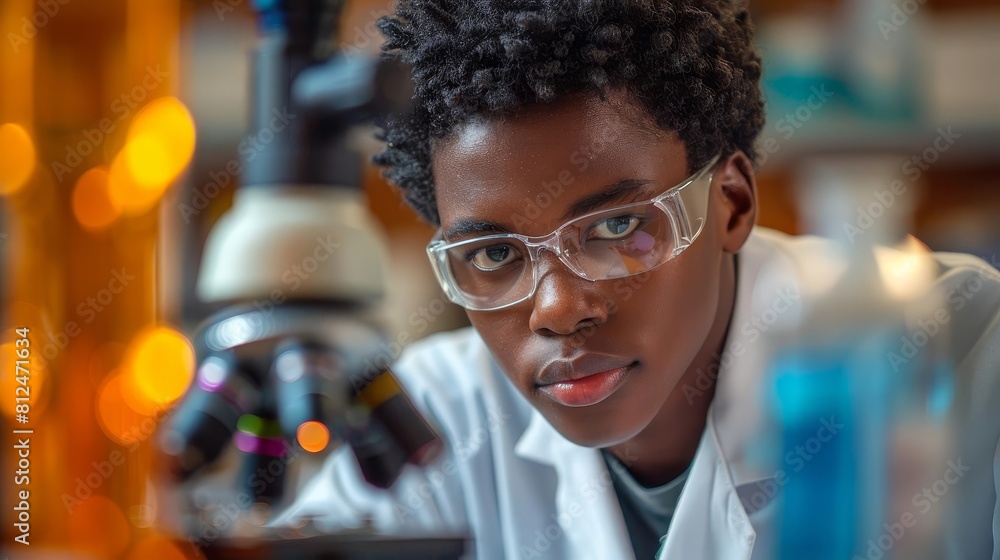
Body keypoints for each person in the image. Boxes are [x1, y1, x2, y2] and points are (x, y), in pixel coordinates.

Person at [272, 1, 1000, 558]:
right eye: (494, 255)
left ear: (732, 202)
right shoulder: (436, 424)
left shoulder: (956, 347)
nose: (557, 310)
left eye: (617, 228)